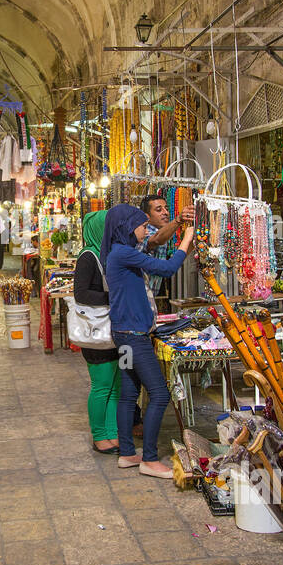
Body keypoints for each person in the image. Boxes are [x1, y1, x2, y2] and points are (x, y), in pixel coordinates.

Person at [102, 203, 195, 478]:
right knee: (159, 393)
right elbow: (166, 270)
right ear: (127, 228)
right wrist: (186, 239)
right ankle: (150, 459)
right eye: (142, 225)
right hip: (133, 337)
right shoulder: (124, 253)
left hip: (123, 335)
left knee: (130, 393)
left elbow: (154, 245)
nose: (146, 229)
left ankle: (128, 454)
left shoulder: (118, 252)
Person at [73, 209, 121, 454]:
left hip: (111, 329)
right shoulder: (88, 257)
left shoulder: (107, 254)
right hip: (95, 331)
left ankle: (112, 433)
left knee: (116, 384)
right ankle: (99, 435)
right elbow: (80, 294)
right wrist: (113, 297)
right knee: (102, 384)